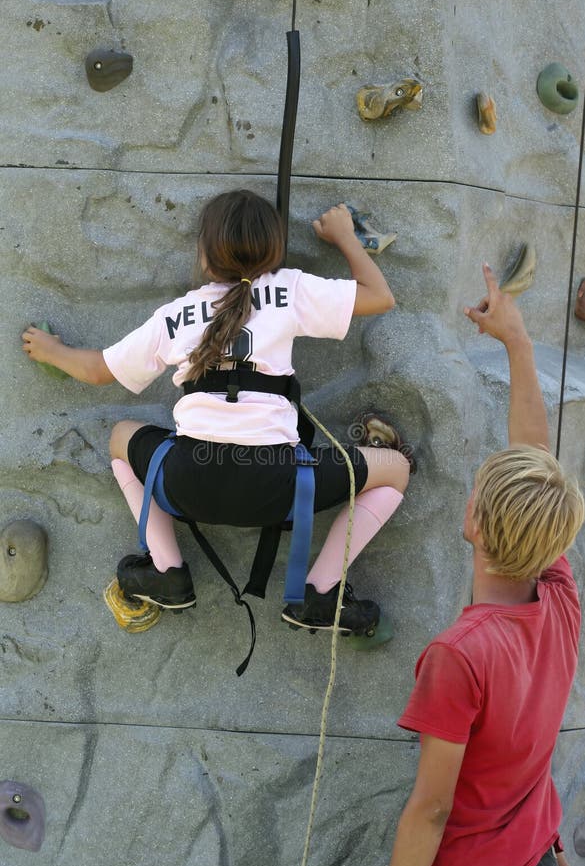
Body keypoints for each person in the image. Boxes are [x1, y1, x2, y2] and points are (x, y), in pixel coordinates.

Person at [22, 191, 411, 632]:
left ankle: (167, 569)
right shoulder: (289, 288)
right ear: (273, 252)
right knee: (394, 469)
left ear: (205, 257)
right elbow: (379, 296)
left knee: (121, 437)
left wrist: (53, 351)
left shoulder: (178, 314)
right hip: (277, 488)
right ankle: (321, 592)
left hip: (190, 481)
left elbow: (97, 370)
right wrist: (344, 237)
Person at [383, 265, 585, 866]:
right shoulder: (559, 601)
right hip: (536, 865)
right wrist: (517, 344)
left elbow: (433, 807)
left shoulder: (457, 656)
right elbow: (537, 457)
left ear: (471, 519)